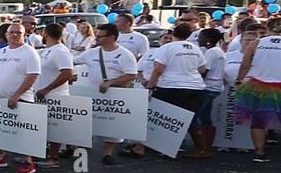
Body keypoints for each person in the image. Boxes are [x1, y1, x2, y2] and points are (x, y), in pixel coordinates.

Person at [0, 22, 41, 173]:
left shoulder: (29, 52)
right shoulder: (1, 52)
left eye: (18, 33)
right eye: (11, 32)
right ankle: (0, 157)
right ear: (6, 34)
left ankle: (29, 162)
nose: (14, 35)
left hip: (20, 99)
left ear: (24, 35)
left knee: (23, 132)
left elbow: (32, 75)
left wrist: (17, 95)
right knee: (1, 129)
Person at [77, 23, 142, 165]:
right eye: (97, 36)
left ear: (112, 37)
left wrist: (110, 82)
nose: (97, 39)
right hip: (93, 92)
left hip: (115, 94)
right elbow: (74, 62)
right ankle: (76, 146)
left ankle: (108, 152)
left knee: (112, 122)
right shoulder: (92, 52)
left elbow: (131, 74)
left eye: (100, 36)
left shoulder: (125, 54)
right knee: (87, 119)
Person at [145, 22, 209, 159]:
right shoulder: (195, 48)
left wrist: (151, 85)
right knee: (191, 119)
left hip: (171, 87)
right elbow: (203, 69)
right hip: (196, 88)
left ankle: (168, 148)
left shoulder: (166, 48)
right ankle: (202, 149)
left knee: (167, 118)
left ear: (173, 34)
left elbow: (158, 69)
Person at [234, 16, 281, 163]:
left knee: (258, 121)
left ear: (268, 29)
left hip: (259, 86)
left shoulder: (257, 43)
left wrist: (239, 80)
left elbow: (245, 65)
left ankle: (259, 152)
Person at [34, 23, 76, 169]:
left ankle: (54, 157)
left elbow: (67, 73)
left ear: (45, 34)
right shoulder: (48, 50)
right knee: (45, 126)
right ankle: (42, 153)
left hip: (55, 94)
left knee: (55, 127)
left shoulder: (60, 51)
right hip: (42, 94)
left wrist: (46, 89)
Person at [195, 29, 227, 154]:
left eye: (200, 37)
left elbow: (204, 71)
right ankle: (207, 145)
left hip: (207, 88)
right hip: (215, 87)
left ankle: (201, 148)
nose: (198, 39)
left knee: (195, 117)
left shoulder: (211, 52)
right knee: (205, 117)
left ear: (208, 40)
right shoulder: (218, 51)